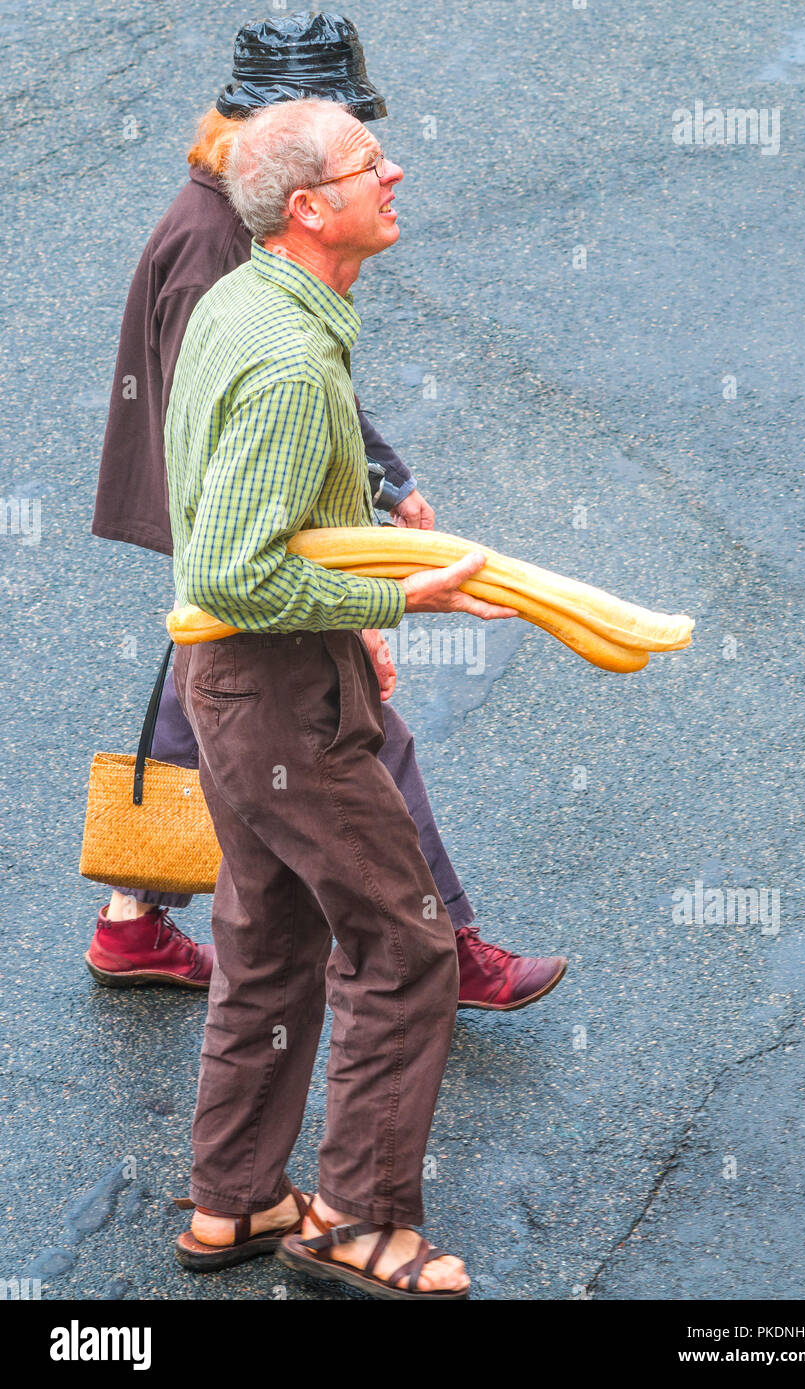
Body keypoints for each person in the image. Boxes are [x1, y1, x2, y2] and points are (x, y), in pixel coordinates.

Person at [88, 12, 566, 1011]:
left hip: (247, 515)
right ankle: (449, 945)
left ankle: (132, 918)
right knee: (352, 719)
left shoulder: (235, 208)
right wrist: (354, 595)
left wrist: (382, 478)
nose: (356, 151)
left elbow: (310, 378)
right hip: (244, 515)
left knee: (207, 697)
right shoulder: (219, 234)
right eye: (335, 118)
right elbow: (249, 417)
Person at [168, 96, 519, 1297]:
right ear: (309, 209)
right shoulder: (282, 358)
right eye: (373, 165)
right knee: (404, 938)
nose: (398, 171)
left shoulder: (251, 300)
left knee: (268, 939)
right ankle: (362, 1223)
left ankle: (238, 1200)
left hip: (234, 684)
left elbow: (247, 521)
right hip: (276, 695)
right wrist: (393, 603)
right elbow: (232, 566)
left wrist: (365, 550)